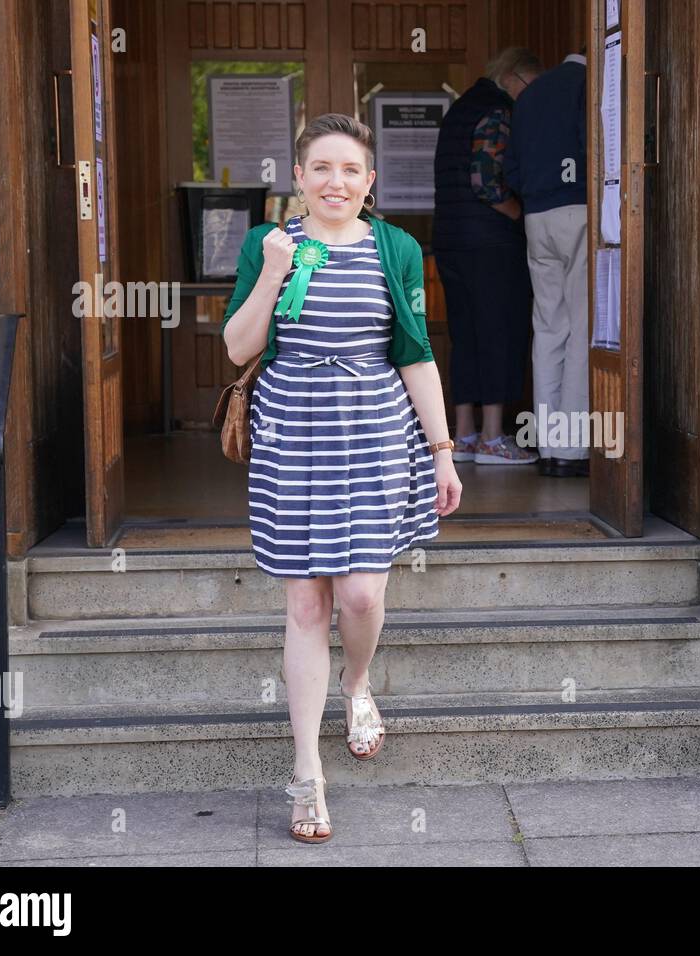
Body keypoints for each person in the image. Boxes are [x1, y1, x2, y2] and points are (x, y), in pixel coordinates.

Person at [221, 113, 463, 844]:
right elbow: (238, 347)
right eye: (321, 168)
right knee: (304, 604)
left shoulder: (396, 247)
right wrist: (270, 274)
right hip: (293, 435)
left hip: (375, 434)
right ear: (298, 178)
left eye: (351, 170)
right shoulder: (270, 245)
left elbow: (415, 351)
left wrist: (443, 448)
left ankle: (357, 683)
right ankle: (307, 777)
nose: (336, 182)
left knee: (361, 592)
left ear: (369, 182)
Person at [433, 47, 543, 466]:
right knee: (498, 331)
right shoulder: (497, 111)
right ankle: (494, 438)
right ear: (514, 77)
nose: (529, 97)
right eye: (530, 87)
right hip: (490, 243)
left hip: (450, 238)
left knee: (465, 335)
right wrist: (522, 218)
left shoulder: (460, 108)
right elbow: (488, 183)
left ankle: (463, 434)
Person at [506, 48, 590, 478]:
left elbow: (511, 168)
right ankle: (572, 450)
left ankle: (546, 445)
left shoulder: (530, 95)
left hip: (536, 214)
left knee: (548, 325)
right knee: (581, 325)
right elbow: (596, 147)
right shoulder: (588, 85)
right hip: (578, 207)